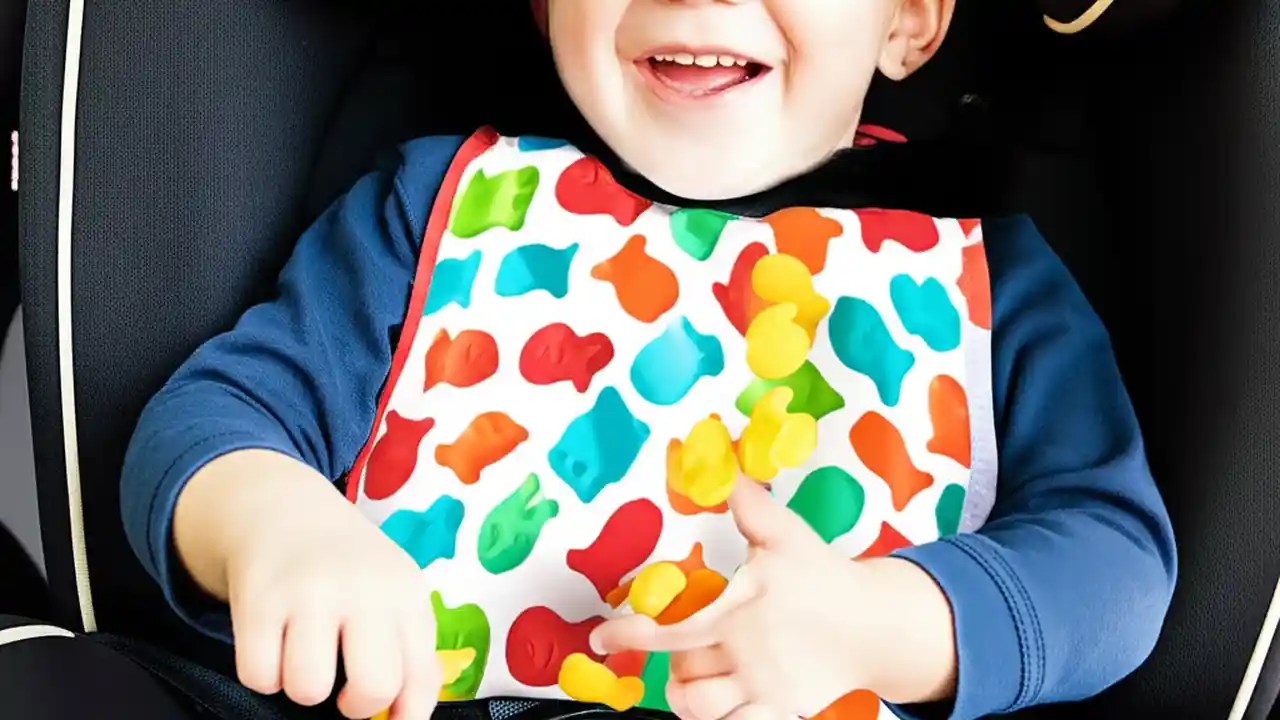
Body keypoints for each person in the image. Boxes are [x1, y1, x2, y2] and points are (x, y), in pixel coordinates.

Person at [120, 1, 1177, 719]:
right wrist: (274, 523)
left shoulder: (991, 284)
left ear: (904, 17)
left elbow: (1114, 558)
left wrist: (887, 624)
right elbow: (221, 411)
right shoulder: (434, 207)